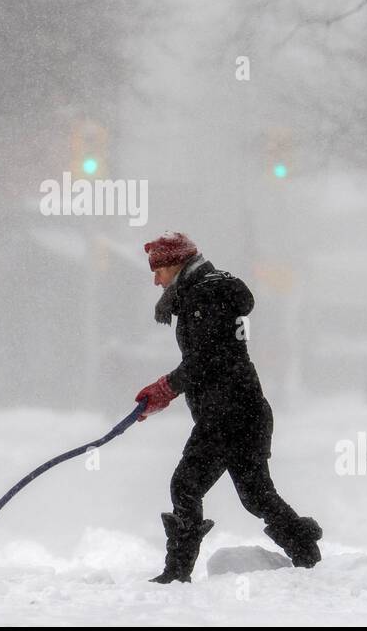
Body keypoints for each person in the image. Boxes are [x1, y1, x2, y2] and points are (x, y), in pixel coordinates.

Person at [136, 232, 323, 583]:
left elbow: (208, 359)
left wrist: (165, 388)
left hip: (227, 415)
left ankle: (176, 573)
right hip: (244, 410)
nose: (155, 279)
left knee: (185, 486)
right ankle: (307, 554)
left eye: (158, 269)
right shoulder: (206, 292)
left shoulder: (205, 296)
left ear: (176, 264)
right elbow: (211, 358)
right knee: (256, 495)